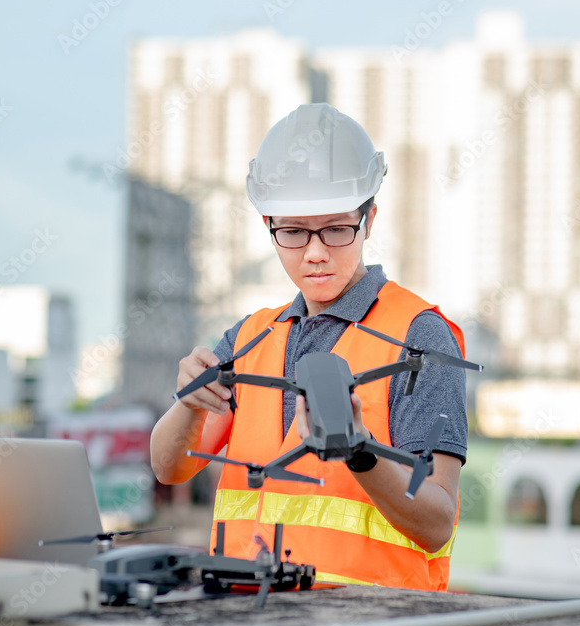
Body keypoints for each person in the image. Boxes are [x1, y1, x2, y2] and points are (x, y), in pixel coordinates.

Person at [150, 103, 468, 591]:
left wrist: (359, 452)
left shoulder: (418, 336)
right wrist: (190, 405)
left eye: (337, 229)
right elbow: (169, 468)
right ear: (268, 225)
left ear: (369, 219)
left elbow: (436, 521)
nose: (315, 252)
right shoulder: (250, 337)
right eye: (294, 231)